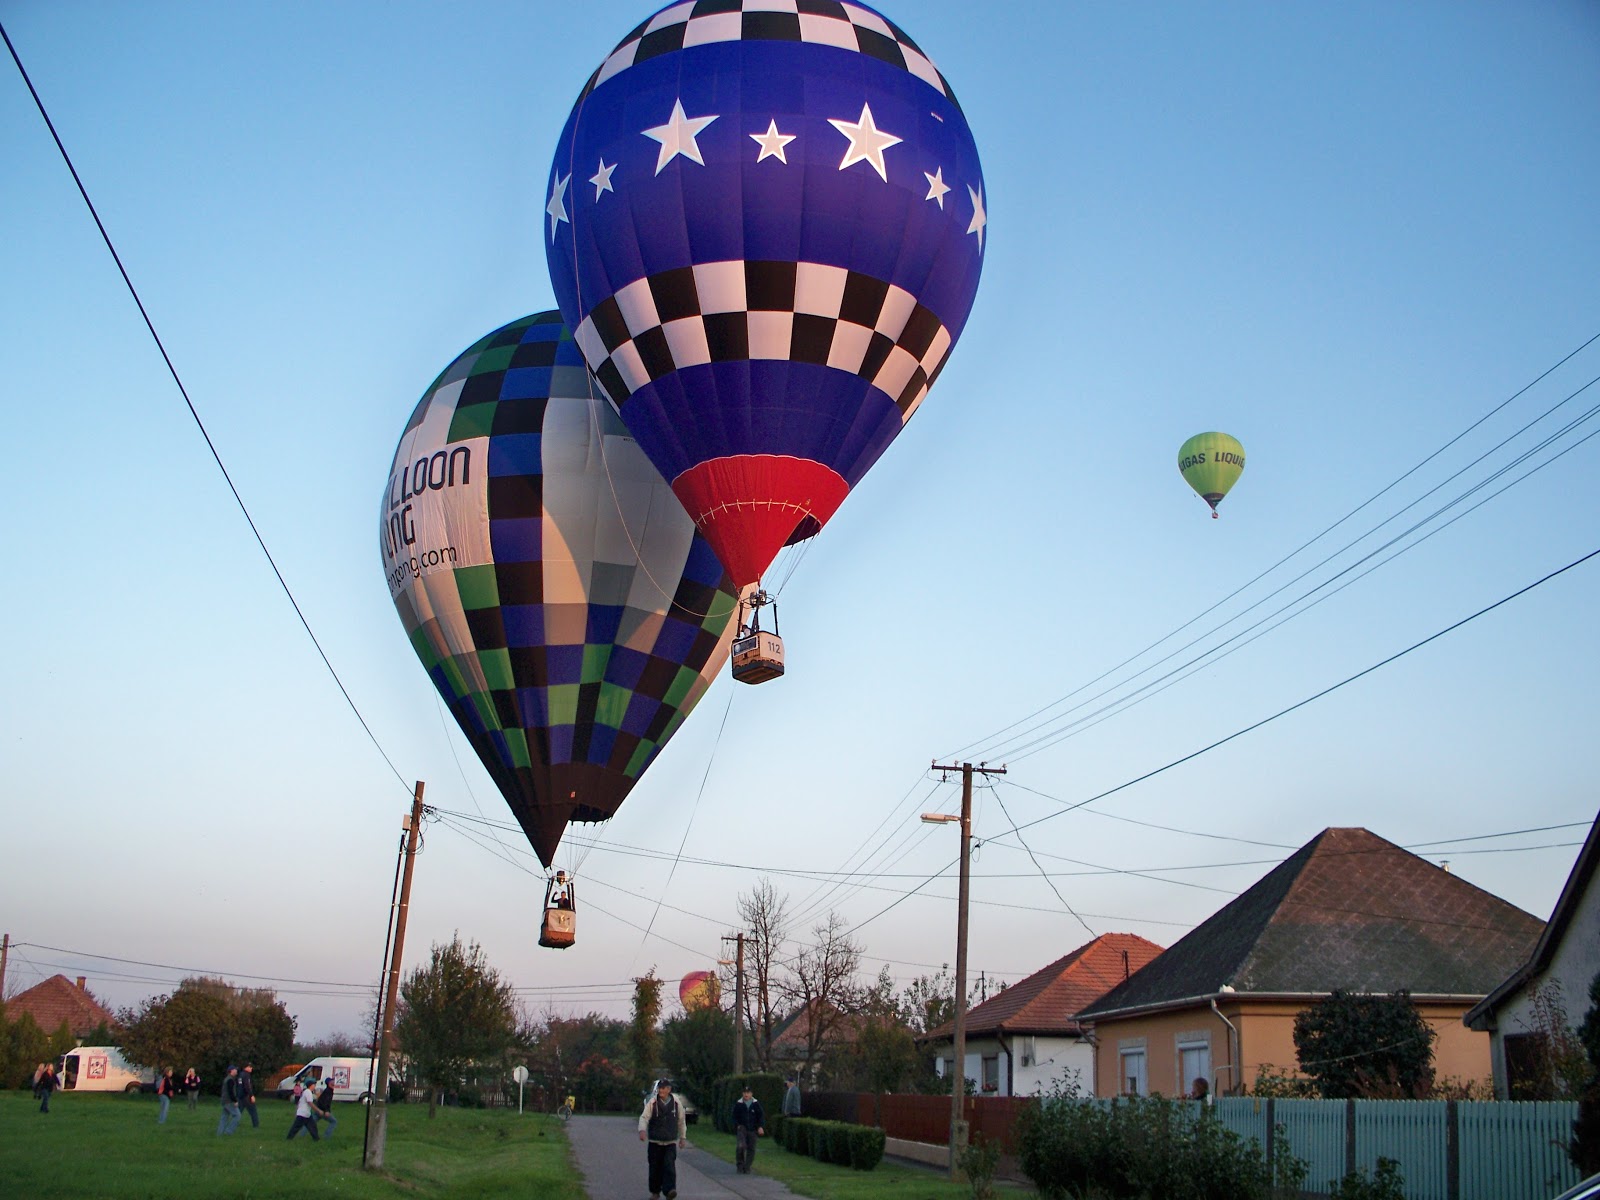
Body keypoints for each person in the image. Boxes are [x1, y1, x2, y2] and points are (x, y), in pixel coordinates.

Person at [637, 1077, 687, 1200]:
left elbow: (681, 1121)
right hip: (655, 1142)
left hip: (670, 1142)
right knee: (655, 1168)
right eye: (660, 1088)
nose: (661, 1090)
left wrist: (682, 1137)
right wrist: (642, 1130)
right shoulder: (653, 1102)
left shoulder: (676, 1103)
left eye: (663, 1088)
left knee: (669, 1166)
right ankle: (655, 1192)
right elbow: (644, 1117)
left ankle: (669, 1190)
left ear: (669, 1089)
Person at [730, 1083, 765, 1174]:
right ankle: (740, 1165)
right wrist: (737, 1125)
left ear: (751, 1094)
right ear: (742, 1094)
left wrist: (760, 1126)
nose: (746, 1094)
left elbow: (760, 1116)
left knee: (751, 1148)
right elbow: (734, 1116)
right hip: (742, 1128)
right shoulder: (739, 1104)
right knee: (741, 1146)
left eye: (748, 1093)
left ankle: (747, 1166)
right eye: (745, 1092)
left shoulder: (755, 1104)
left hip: (753, 1128)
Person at [217, 1066, 242, 1135]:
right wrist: (235, 1101)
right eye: (235, 1069)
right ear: (231, 1071)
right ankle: (229, 1131)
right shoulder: (230, 1080)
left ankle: (219, 1133)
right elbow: (230, 1092)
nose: (236, 1071)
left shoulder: (227, 1079)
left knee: (224, 1117)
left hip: (224, 1101)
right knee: (237, 1115)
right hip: (229, 1101)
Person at [239, 1062, 259, 1128]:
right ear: (246, 1067)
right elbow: (247, 1086)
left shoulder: (240, 1075)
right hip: (246, 1096)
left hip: (240, 1096)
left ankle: (234, 1124)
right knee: (253, 1111)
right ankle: (256, 1125)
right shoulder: (247, 1075)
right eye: (250, 1067)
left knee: (238, 1112)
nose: (251, 1068)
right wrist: (251, 1095)